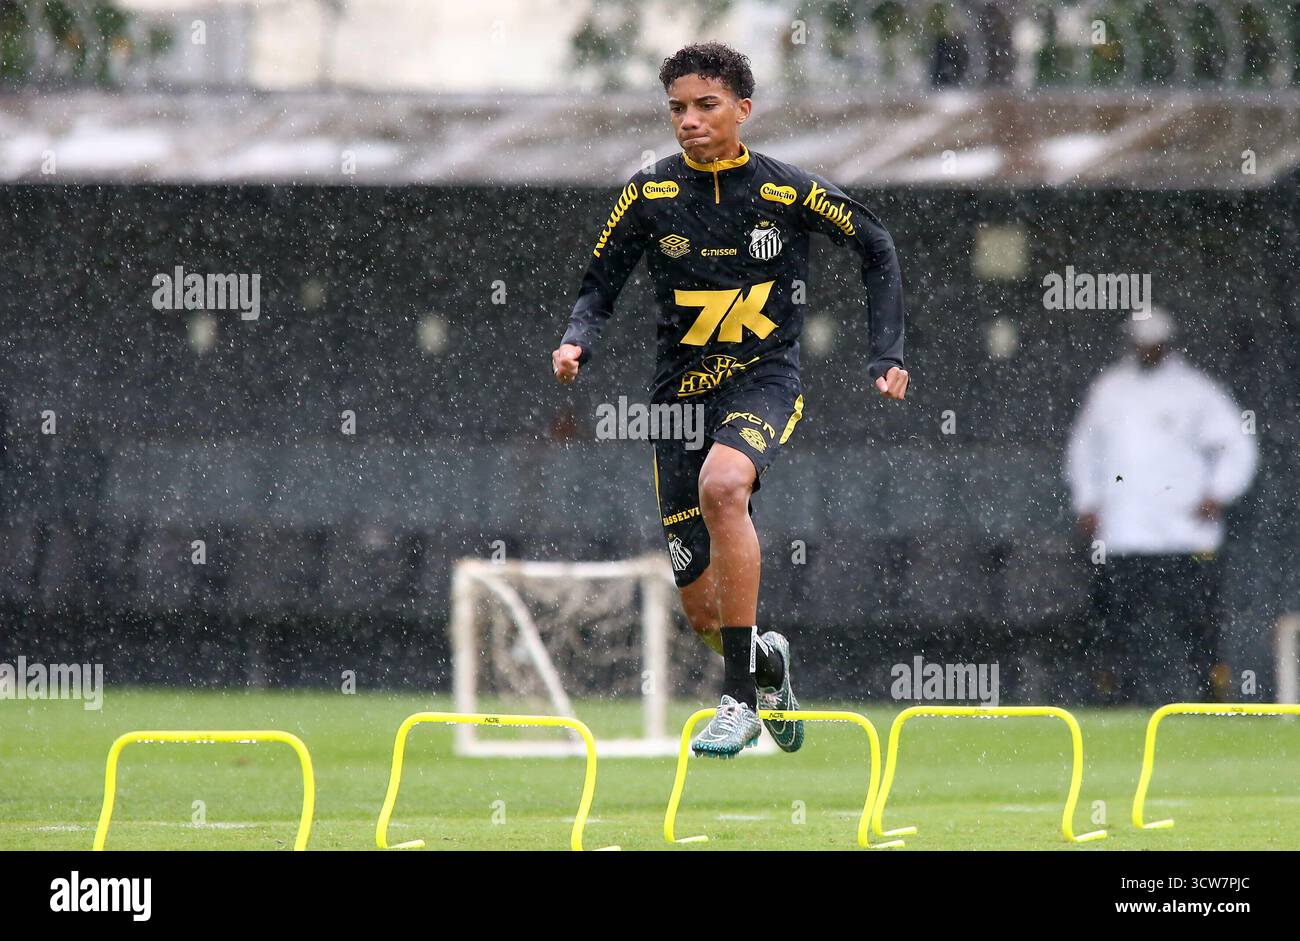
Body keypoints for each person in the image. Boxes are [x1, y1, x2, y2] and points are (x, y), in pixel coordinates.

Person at [552, 42, 908, 756]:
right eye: (677, 108)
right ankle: (766, 662)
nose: (689, 120)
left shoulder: (784, 191)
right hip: (676, 402)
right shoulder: (649, 193)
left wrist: (887, 351)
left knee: (725, 487)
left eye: (705, 105)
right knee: (702, 610)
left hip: (762, 381)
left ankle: (739, 700)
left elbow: (876, 243)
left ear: (743, 110)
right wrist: (576, 339)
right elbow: (600, 283)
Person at [1065, 308, 1258, 703]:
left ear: (1166, 343)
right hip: (1123, 534)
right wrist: (1087, 501)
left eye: (1152, 343)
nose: (1145, 349)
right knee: (1117, 626)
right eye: (1139, 341)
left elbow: (1237, 446)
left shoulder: (1197, 391)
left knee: (1199, 625)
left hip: (1184, 535)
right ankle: (1114, 699)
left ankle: (1212, 698)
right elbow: (1084, 450)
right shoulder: (1109, 388)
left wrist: (1217, 493)